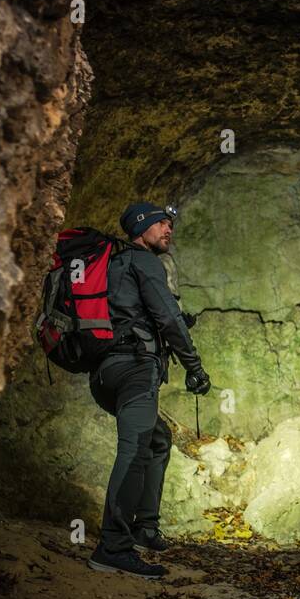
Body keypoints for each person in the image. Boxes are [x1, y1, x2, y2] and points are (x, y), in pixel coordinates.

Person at [85, 201, 210, 579]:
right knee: (136, 447)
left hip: (105, 375)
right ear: (141, 229)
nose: (169, 228)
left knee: (157, 439)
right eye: (161, 223)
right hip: (135, 370)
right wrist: (195, 368)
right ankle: (113, 547)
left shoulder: (115, 265)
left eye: (170, 223)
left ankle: (144, 528)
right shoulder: (144, 262)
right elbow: (168, 319)